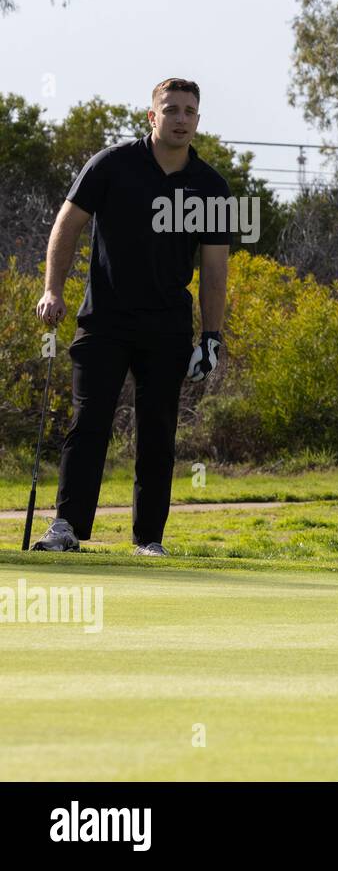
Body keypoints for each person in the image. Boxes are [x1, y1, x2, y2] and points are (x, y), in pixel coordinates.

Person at [32, 78, 231, 557]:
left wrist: (211, 336)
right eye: (171, 109)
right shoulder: (111, 165)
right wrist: (51, 290)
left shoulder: (211, 186)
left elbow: (215, 266)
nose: (180, 118)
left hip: (167, 326)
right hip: (104, 320)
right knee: (89, 422)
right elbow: (67, 225)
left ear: (197, 121)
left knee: (158, 431)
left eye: (189, 111)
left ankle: (149, 540)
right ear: (152, 116)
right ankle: (66, 528)